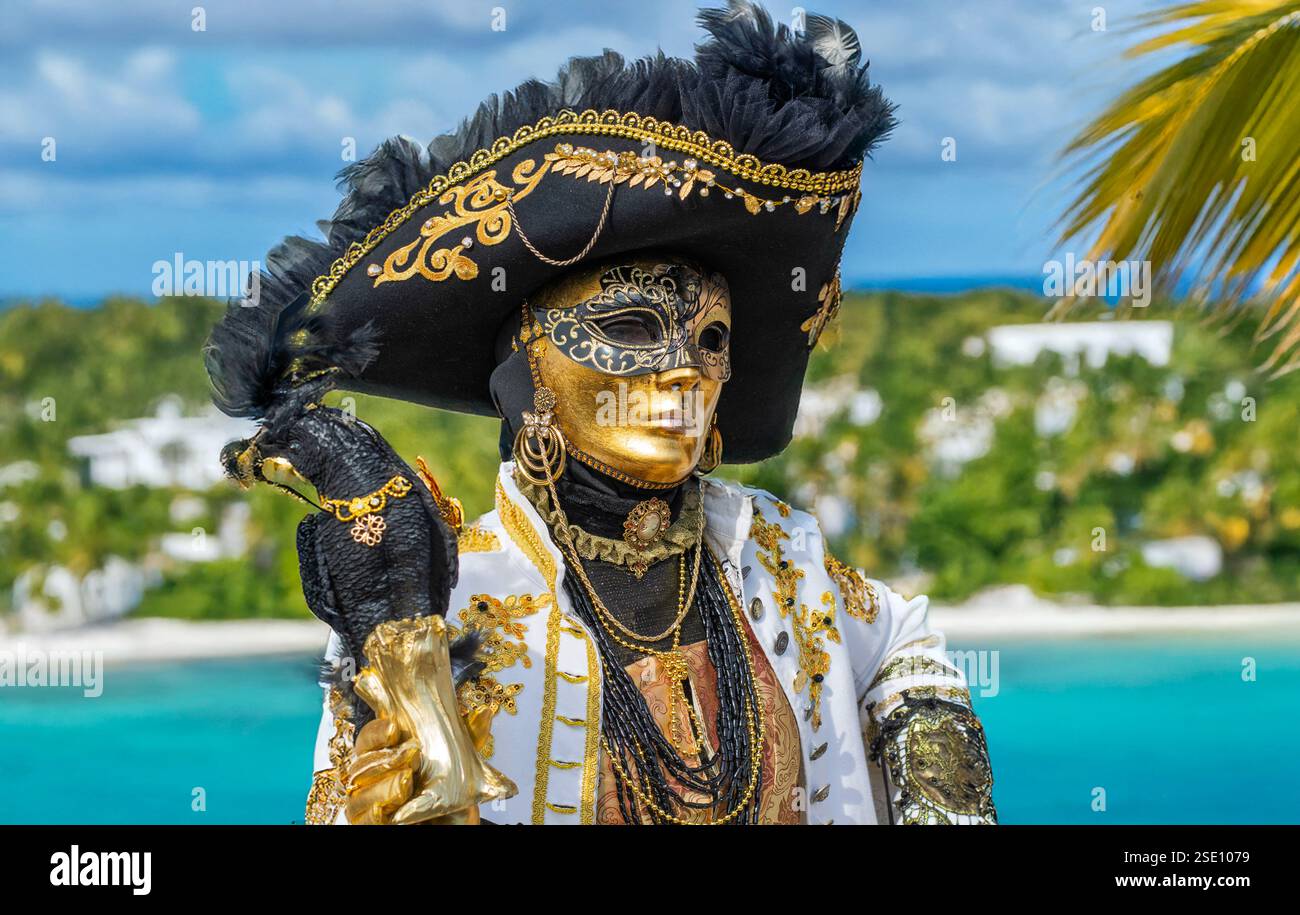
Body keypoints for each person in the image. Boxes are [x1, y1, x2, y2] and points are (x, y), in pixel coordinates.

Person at [206, 0, 996, 826]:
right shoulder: (453, 603)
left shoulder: (780, 562)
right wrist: (416, 700)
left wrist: (937, 781)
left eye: (711, 339)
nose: (684, 371)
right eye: (632, 328)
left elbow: (903, 647)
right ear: (528, 369)